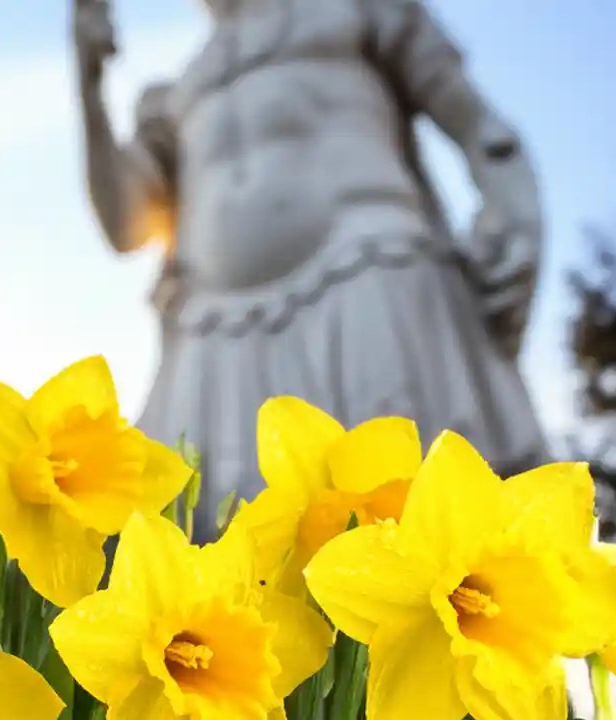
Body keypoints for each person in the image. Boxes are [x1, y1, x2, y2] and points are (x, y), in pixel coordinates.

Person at [73, 0, 547, 538]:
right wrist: (89, 84)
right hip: (215, 327)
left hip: (370, 273)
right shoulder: (177, 90)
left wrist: (514, 207)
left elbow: (474, 121)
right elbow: (125, 226)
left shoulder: (357, 11)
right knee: (200, 550)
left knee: (425, 515)